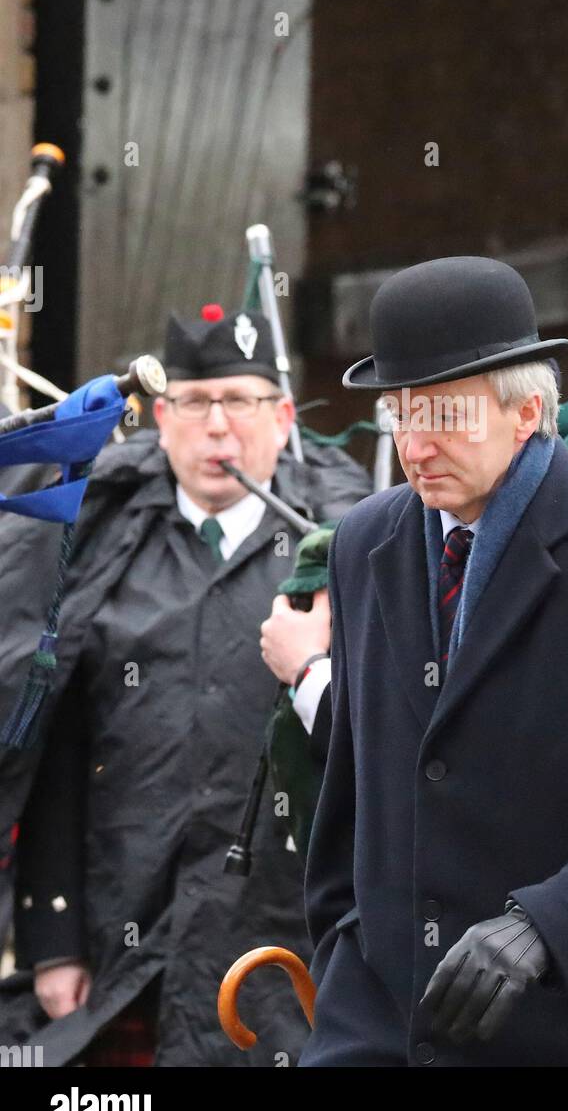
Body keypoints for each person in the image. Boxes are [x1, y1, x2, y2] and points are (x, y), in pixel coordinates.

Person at [278, 255, 568, 1067]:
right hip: (382, 1029)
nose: (414, 445)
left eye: (445, 417)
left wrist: (548, 924)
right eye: (400, 415)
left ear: (528, 411)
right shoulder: (365, 543)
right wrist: (343, 959)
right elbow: (353, 791)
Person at [8, 305, 370, 1066]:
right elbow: (56, 754)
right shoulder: (101, 551)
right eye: (197, 403)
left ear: (281, 419)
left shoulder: (342, 558)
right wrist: (53, 938)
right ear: (162, 417)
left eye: (240, 402)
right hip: (122, 936)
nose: (217, 430)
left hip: (285, 942)